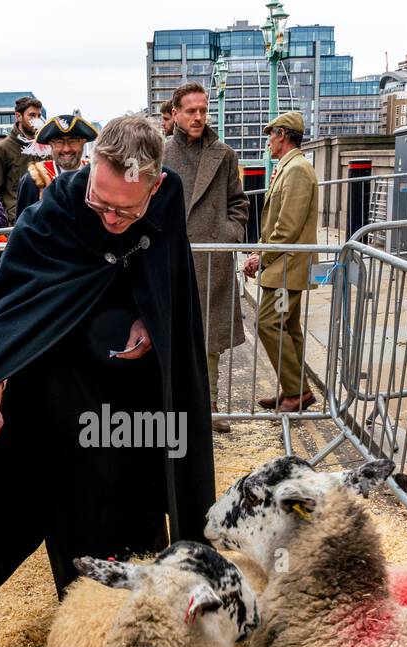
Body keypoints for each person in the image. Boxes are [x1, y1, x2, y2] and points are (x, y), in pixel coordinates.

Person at [0, 114, 214, 647]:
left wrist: (146, 317)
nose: (111, 219)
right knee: (71, 497)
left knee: (131, 498)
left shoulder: (168, 195)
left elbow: (166, 276)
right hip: (57, 383)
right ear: (89, 169)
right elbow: (15, 306)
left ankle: (135, 614)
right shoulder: (58, 207)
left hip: (127, 391)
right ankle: (78, 627)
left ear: (154, 187)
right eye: (101, 204)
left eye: (126, 211)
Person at [162, 82, 249, 434]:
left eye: (203, 110)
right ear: (175, 114)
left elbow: (239, 203)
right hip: (172, 258)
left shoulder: (223, 154)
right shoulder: (162, 153)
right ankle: (175, 407)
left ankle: (209, 406)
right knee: (172, 335)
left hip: (212, 258)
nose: (198, 117)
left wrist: (228, 234)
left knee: (209, 338)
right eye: (191, 111)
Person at [242, 111, 318, 413]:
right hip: (285, 266)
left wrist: (262, 258)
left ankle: (296, 392)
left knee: (269, 323)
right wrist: (259, 254)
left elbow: (287, 227)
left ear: (283, 135)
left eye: (271, 134)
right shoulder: (290, 167)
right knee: (289, 329)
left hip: (288, 268)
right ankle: (295, 389)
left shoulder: (297, 169)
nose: (268, 141)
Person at [15, 113, 97, 213]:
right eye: (59, 142)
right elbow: (24, 225)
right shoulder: (34, 180)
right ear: (50, 144)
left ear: (83, 142)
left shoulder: (96, 174)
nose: (66, 149)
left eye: (73, 141)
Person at [0, 96, 43, 224]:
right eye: (32, 115)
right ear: (18, 116)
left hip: (45, 218)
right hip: (17, 221)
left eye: (39, 115)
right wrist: (7, 218)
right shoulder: (1, 149)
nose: (36, 120)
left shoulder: (46, 146)